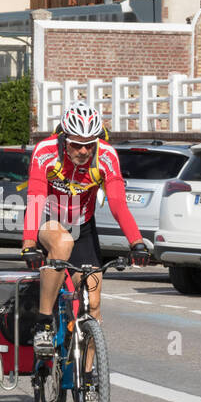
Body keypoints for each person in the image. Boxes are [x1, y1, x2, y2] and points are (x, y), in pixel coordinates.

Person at [20, 101, 152, 363]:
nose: (83, 150)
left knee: (93, 305)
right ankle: (44, 323)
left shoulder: (106, 156)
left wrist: (137, 242)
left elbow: (118, 205)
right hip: (49, 220)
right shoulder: (45, 152)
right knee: (62, 242)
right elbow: (35, 199)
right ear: (64, 139)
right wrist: (29, 243)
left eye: (89, 144)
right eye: (76, 144)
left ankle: (89, 381)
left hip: (84, 225)